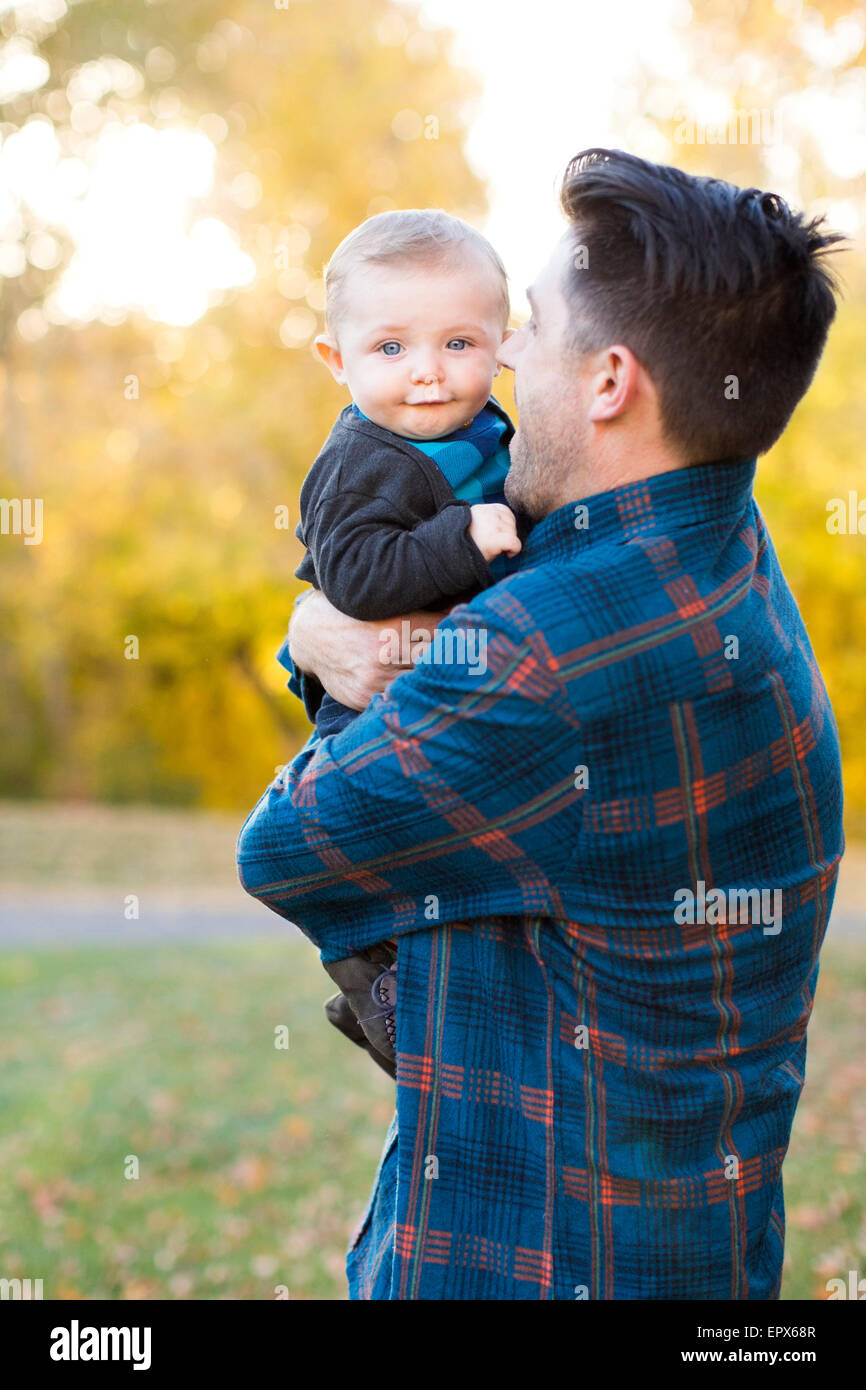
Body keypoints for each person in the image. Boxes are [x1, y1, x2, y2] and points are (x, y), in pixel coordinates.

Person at [237, 149, 846, 1300]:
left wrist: (317, 636)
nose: (505, 353)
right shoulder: (721, 541)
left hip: (527, 1255)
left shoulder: (541, 647)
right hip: (703, 1252)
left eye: (531, 323)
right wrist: (316, 629)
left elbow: (285, 846)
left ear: (609, 380)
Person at [282, 209, 527, 1075]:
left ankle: (395, 985)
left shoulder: (484, 430)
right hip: (365, 710)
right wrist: (463, 538)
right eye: (390, 348)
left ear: (504, 344)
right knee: (388, 831)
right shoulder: (365, 459)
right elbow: (354, 577)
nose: (427, 371)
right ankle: (375, 978)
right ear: (336, 360)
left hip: (444, 682)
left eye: (459, 343)